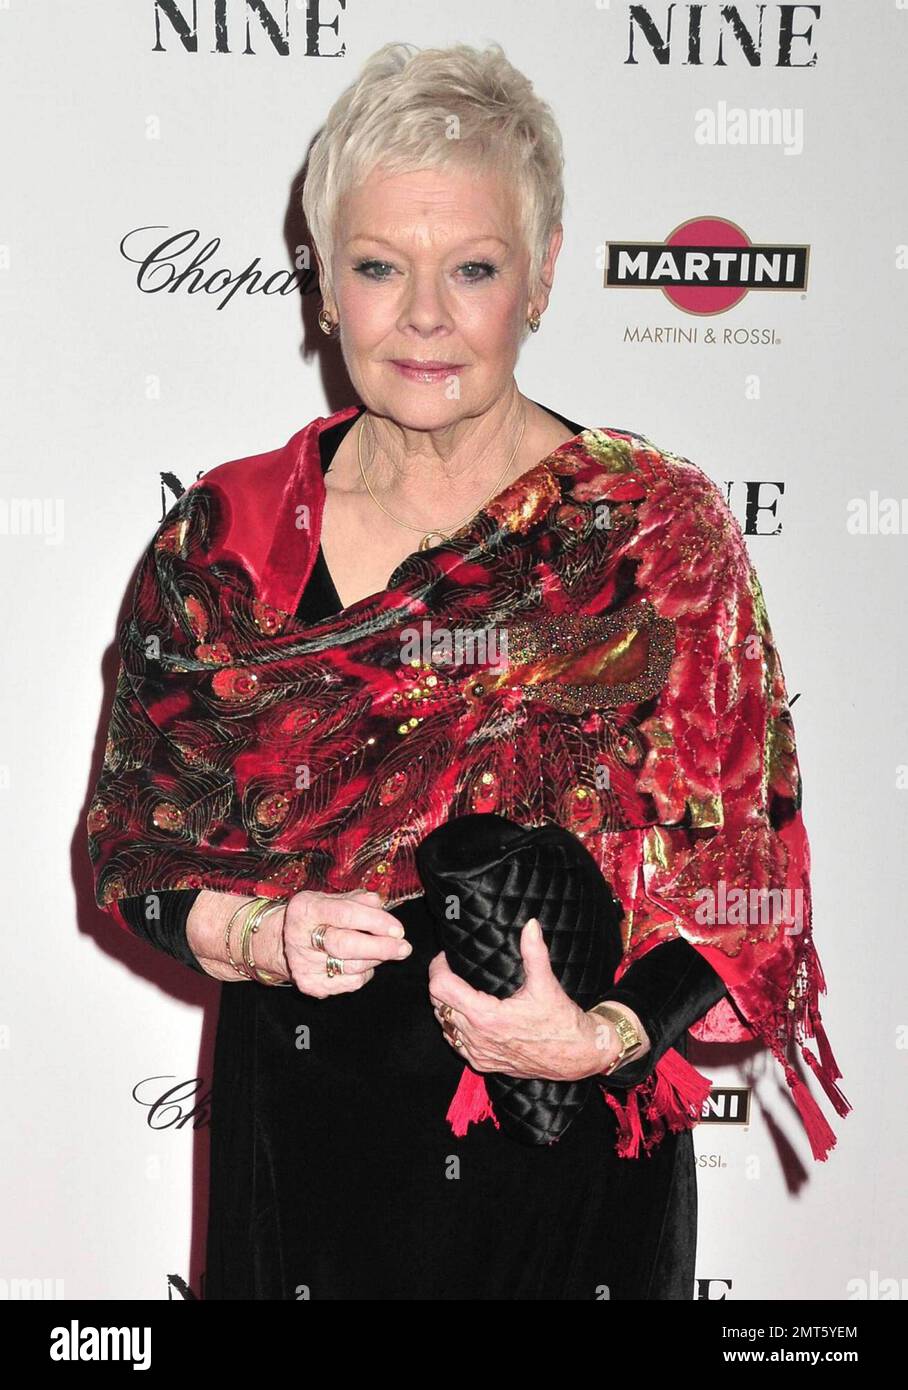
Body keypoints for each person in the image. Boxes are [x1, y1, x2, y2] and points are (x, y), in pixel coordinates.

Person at [87, 41, 849, 1301]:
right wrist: (261, 934)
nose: (424, 315)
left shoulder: (647, 533)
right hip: (306, 1159)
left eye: (474, 269)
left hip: (567, 1168)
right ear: (324, 284)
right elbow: (132, 851)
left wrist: (597, 1037)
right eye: (380, 267)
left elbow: (738, 872)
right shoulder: (221, 542)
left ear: (541, 277)